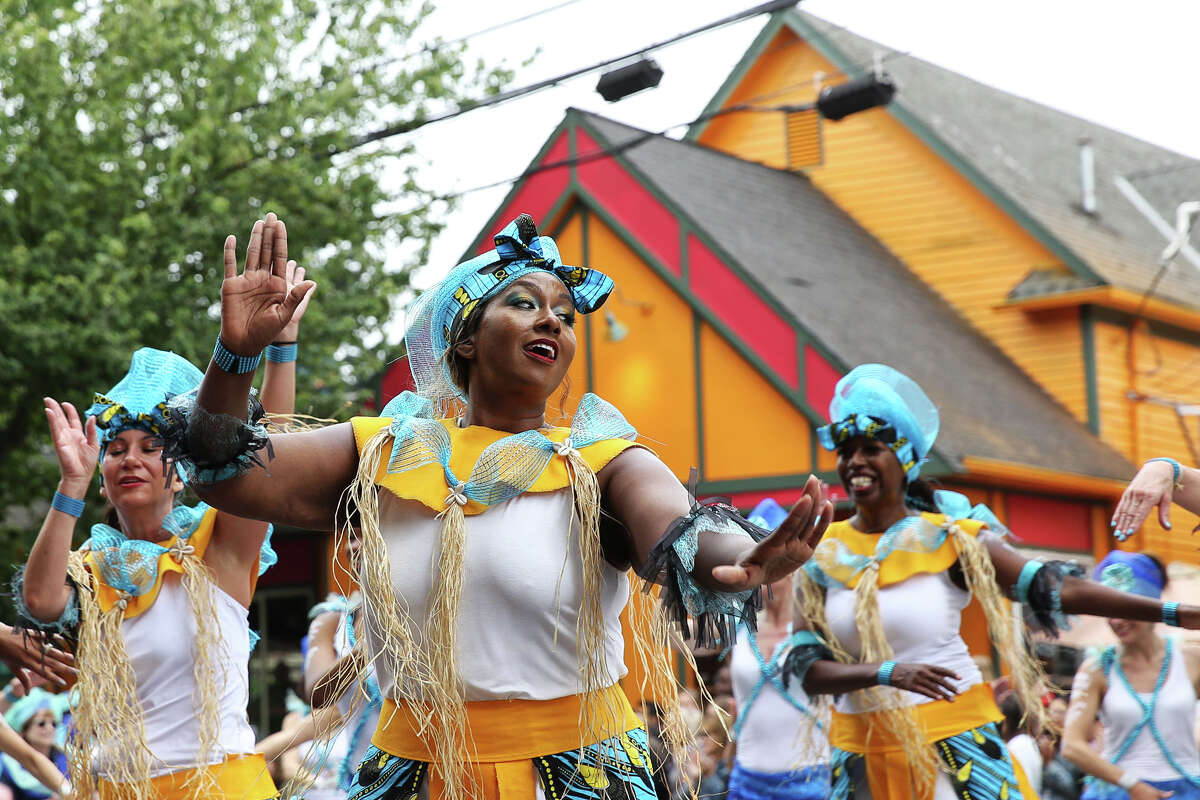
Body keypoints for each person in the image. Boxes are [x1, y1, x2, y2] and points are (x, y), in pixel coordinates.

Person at [164, 211, 834, 800]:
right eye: (524, 303)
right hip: (414, 776)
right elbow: (227, 474)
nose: (552, 320)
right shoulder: (381, 453)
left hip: (574, 776)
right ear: (464, 338)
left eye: (565, 315)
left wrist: (744, 554)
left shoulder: (602, 462)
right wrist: (237, 355)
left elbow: (677, 532)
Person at [784, 363, 1200, 800]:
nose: (855, 462)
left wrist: (1171, 612)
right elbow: (805, 668)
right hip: (860, 754)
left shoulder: (952, 537)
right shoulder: (822, 550)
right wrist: (888, 673)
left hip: (955, 745)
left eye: (871, 449)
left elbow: (1057, 588)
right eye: (846, 451)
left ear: (904, 459)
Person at [16, 256, 311, 800]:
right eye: (115, 449)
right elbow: (40, 601)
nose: (131, 459)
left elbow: (268, 455)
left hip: (217, 787)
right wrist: (70, 485)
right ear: (103, 478)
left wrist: (280, 350)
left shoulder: (217, 547)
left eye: (152, 448)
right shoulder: (90, 569)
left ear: (181, 475)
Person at [1061, 551, 1200, 799]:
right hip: (1119, 791)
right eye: (1108, 610)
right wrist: (1131, 784)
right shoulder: (1097, 668)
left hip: (1187, 790)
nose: (1116, 621)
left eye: (1125, 609)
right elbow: (1071, 745)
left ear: (1151, 607)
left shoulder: (1192, 659)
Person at [726, 500, 830, 800]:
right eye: (752, 561)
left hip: (812, 783)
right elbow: (670, 633)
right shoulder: (738, 625)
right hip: (746, 784)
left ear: (793, 567)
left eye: (769, 563)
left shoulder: (818, 627)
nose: (759, 572)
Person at [0, 689, 69, 800]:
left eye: (54, 723)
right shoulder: (8, 764)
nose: (49, 728)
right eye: (41, 723)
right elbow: (32, 761)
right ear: (23, 731)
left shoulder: (69, 756)